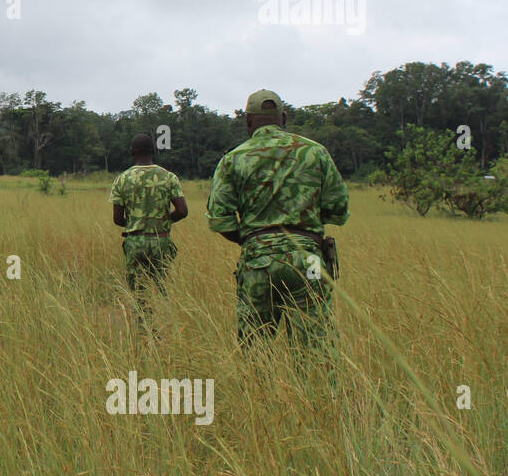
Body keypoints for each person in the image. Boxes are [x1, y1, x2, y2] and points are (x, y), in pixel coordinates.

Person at [206, 89, 349, 353]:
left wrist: (256, 240)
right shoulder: (315, 152)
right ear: (283, 118)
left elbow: (220, 220)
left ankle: (261, 393)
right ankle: (318, 392)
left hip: (257, 262)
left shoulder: (232, 160)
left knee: (256, 350)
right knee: (317, 348)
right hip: (310, 263)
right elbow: (339, 210)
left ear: (248, 121)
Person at [109, 132, 188, 308]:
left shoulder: (122, 179)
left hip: (135, 242)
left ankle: (143, 327)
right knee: (163, 289)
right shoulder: (168, 177)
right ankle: (165, 324)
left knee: (139, 294)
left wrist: (134, 222)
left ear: (132, 152)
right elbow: (182, 211)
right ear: (153, 151)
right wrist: (163, 221)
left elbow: (117, 219)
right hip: (161, 240)